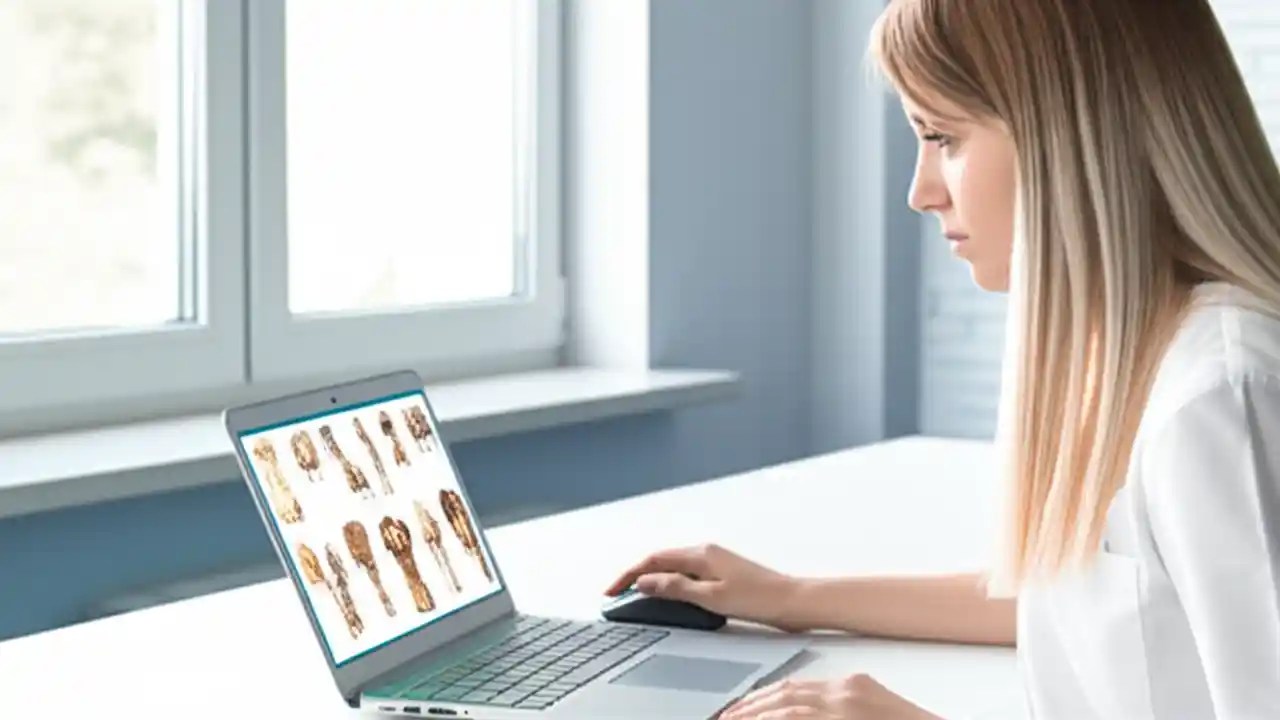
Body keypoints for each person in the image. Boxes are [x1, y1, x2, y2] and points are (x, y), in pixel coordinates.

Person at [606, 1, 1280, 717]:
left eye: (942, 138)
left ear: (1072, 135)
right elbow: (1076, 596)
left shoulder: (1221, 398)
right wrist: (790, 598)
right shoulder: (1131, 354)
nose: (920, 193)